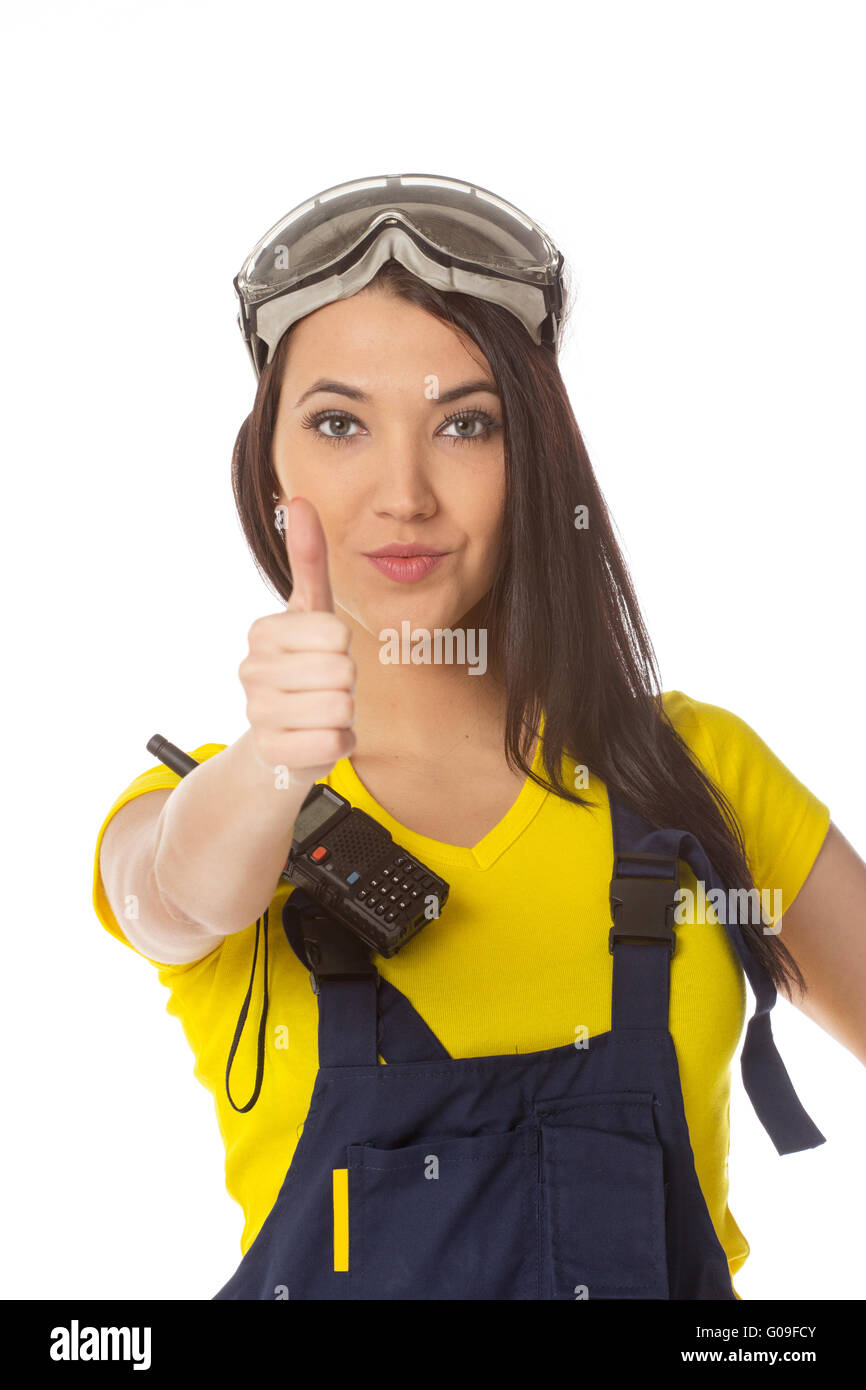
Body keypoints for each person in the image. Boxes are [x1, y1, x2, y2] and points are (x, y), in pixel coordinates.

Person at [93, 174, 866, 1301]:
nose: (402, 494)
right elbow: (174, 895)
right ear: (273, 471)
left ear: (535, 460)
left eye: (464, 423)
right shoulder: (222, 814)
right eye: (338, 423)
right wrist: (269, 760)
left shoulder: (691, 775)